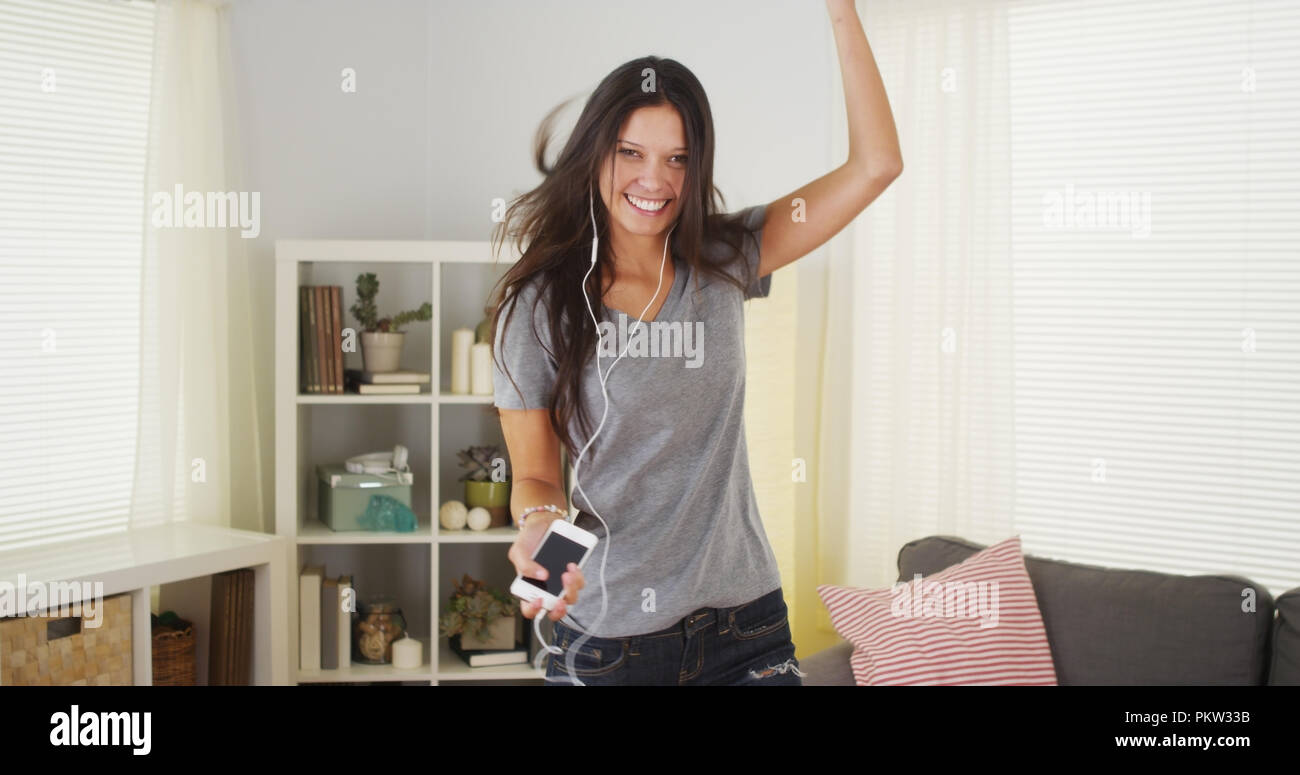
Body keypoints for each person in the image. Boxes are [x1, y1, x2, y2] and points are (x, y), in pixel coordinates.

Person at [488, 0, 901, 685]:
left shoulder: (726, 258)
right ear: (596, 153)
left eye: (677, 159)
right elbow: (535, 473)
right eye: (632, 154)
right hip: (614, 643)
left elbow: (877, 165)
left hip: (748, 628)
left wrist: (841, 11)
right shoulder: (541, 304)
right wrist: (537, 525)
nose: (656, 180)